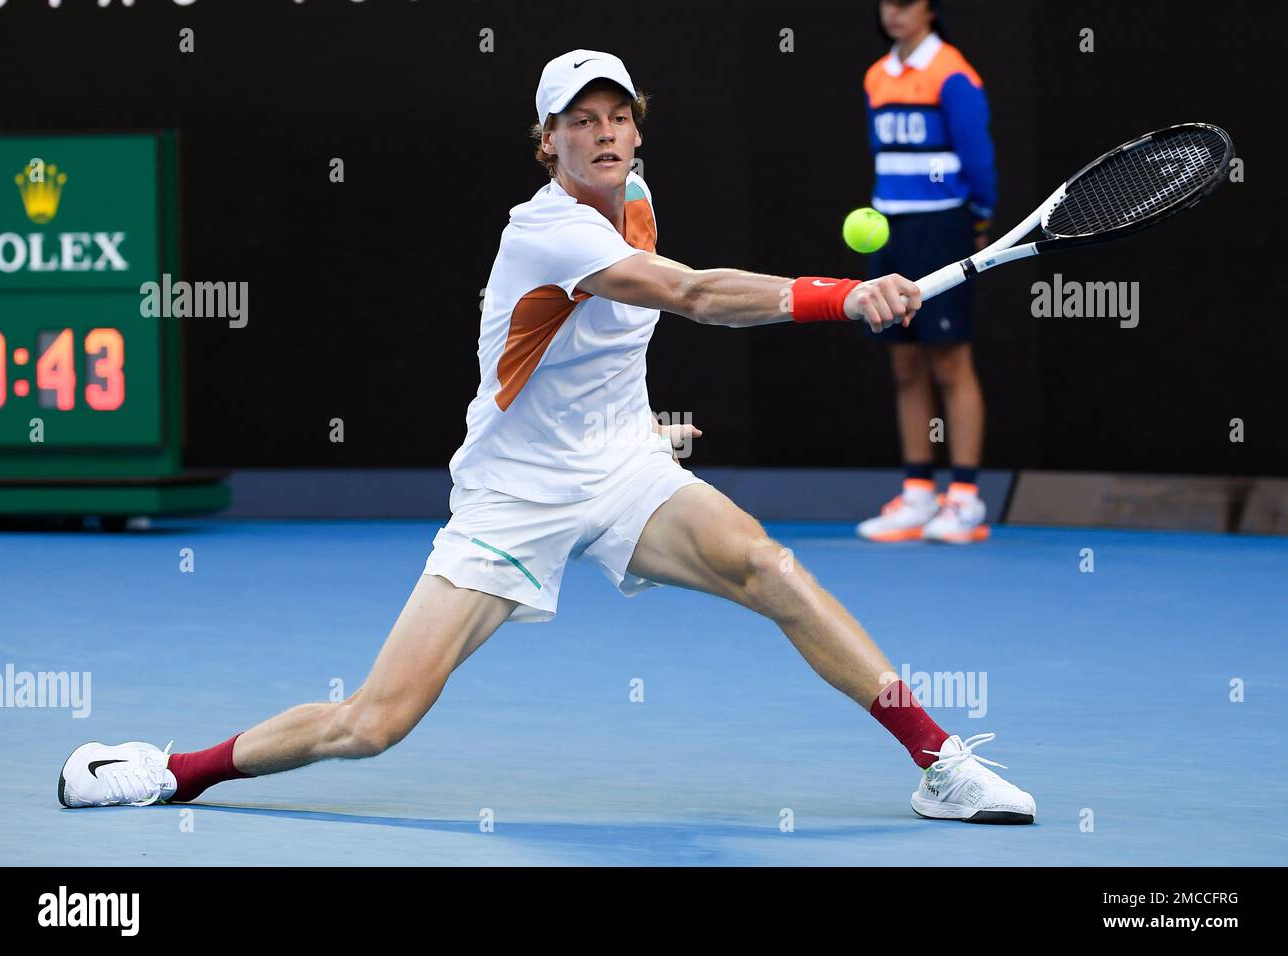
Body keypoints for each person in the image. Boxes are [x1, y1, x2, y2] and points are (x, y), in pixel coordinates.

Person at [57, 49, 1034, 825]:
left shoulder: (638, 196)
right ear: (547, 144)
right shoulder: (548, 232)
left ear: (635, 132)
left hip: (620, 468)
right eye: (580, 122)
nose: (602, 134)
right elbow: (693, 294)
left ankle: (938, 761)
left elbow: (678, 299)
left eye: (616, 118)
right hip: (512, 499)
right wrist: (843, 295)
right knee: (374, 721)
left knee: (770, 567)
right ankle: (172, 771)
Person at [856, 0, 998, 544]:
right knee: (905, 363)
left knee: (950, 362)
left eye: (906, 2)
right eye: (886, 3)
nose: (893, 12)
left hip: (943, 229)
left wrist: (978, 216)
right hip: (889, 230)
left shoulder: (953, 73)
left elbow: (977, 155)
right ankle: (918, 492)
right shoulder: (875, 76)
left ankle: (963, 498)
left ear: (929, 10)